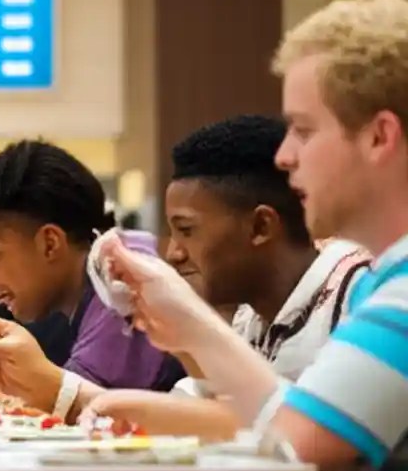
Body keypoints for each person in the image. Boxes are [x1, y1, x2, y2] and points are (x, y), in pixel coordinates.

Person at [78, 0, 408, 471]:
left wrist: (191, 323)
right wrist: (184, 319)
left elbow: (297, 447)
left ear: (380, 137)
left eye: (304, 131)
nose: (285, 156)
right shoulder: (383, 281)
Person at [80, 115, 369, 437]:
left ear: (260, 227)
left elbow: (308, 440)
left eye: (187, 231)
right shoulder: (250, 316)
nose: (174, 253)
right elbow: (225, 416)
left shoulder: (357, 298)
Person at [0, 140, 183, 414]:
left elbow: (86, 411)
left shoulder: (125, 269)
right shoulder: (82, 292)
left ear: (50, 243)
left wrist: (29, 386)